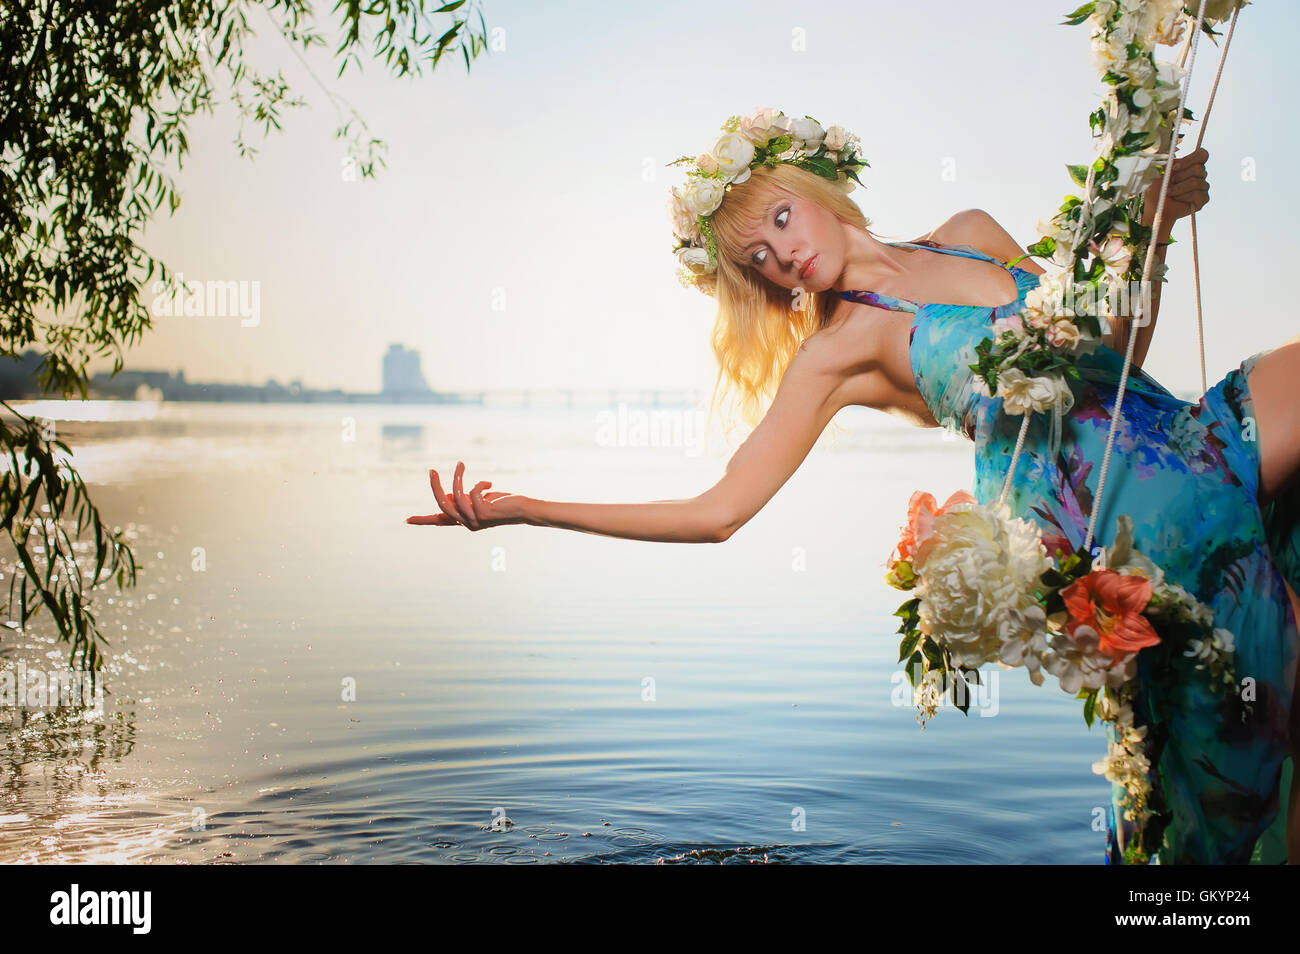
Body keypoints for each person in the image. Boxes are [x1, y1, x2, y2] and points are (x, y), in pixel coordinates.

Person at [407, 108, 1299, 865]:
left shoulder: (973, 232)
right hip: (1128, 517)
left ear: (818, 190)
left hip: (1183, 435)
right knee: (1232, 770)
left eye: (783, 221)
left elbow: (1113, 353)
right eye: (757, 257)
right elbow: (717, 512)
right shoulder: (838, 352)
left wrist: (1158, 224)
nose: (781, 257)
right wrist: (525, 509)